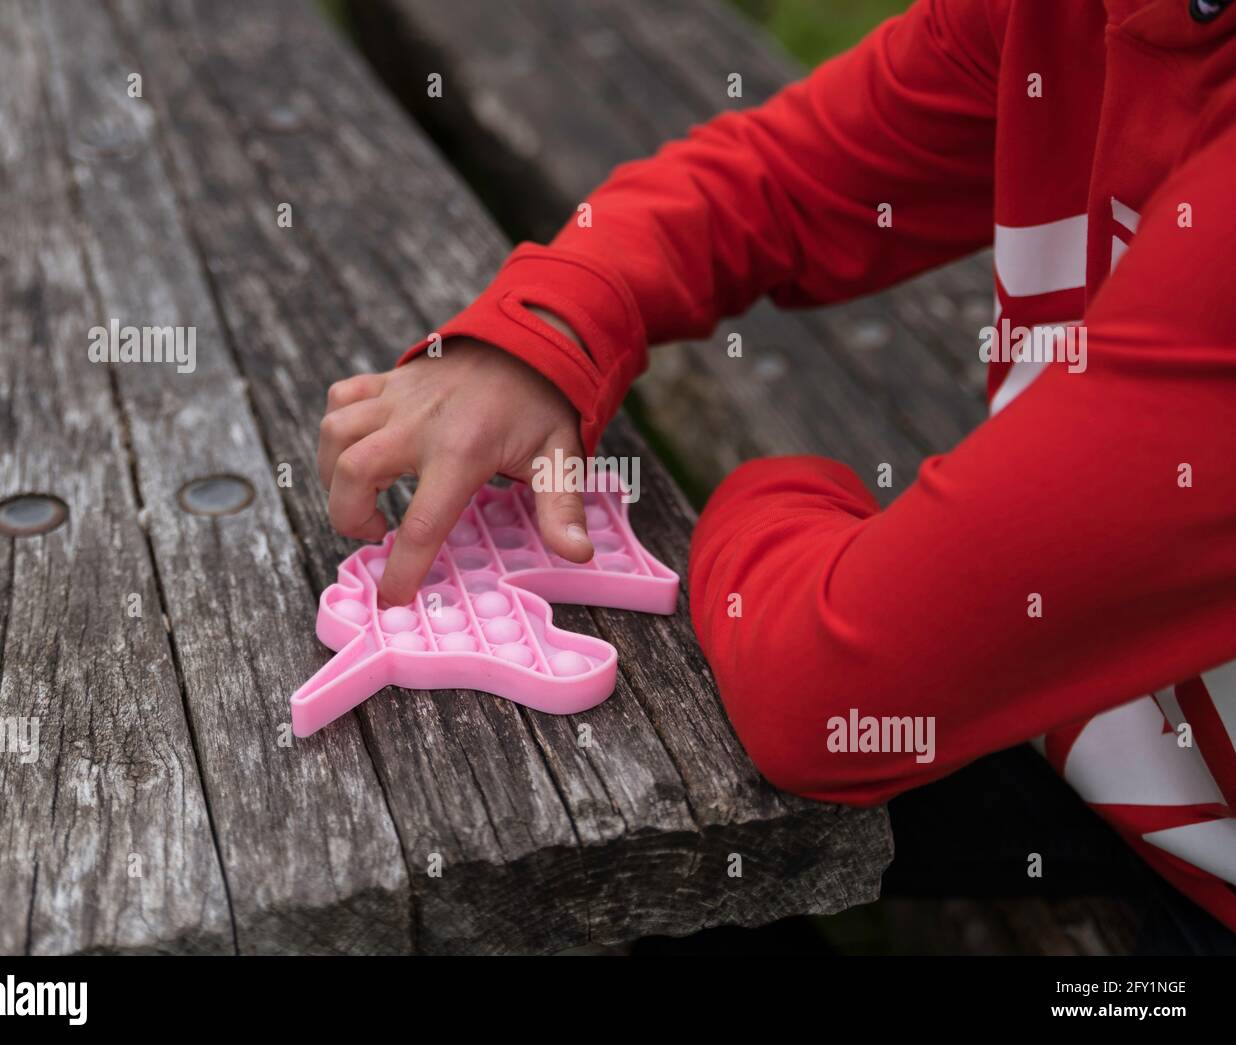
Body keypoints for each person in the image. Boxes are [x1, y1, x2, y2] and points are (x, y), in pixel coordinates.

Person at [316, 0, 1236, 935]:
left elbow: (820, 691)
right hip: (1105, 730)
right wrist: (543, 330)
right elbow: (791, 176)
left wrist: (778, 488)